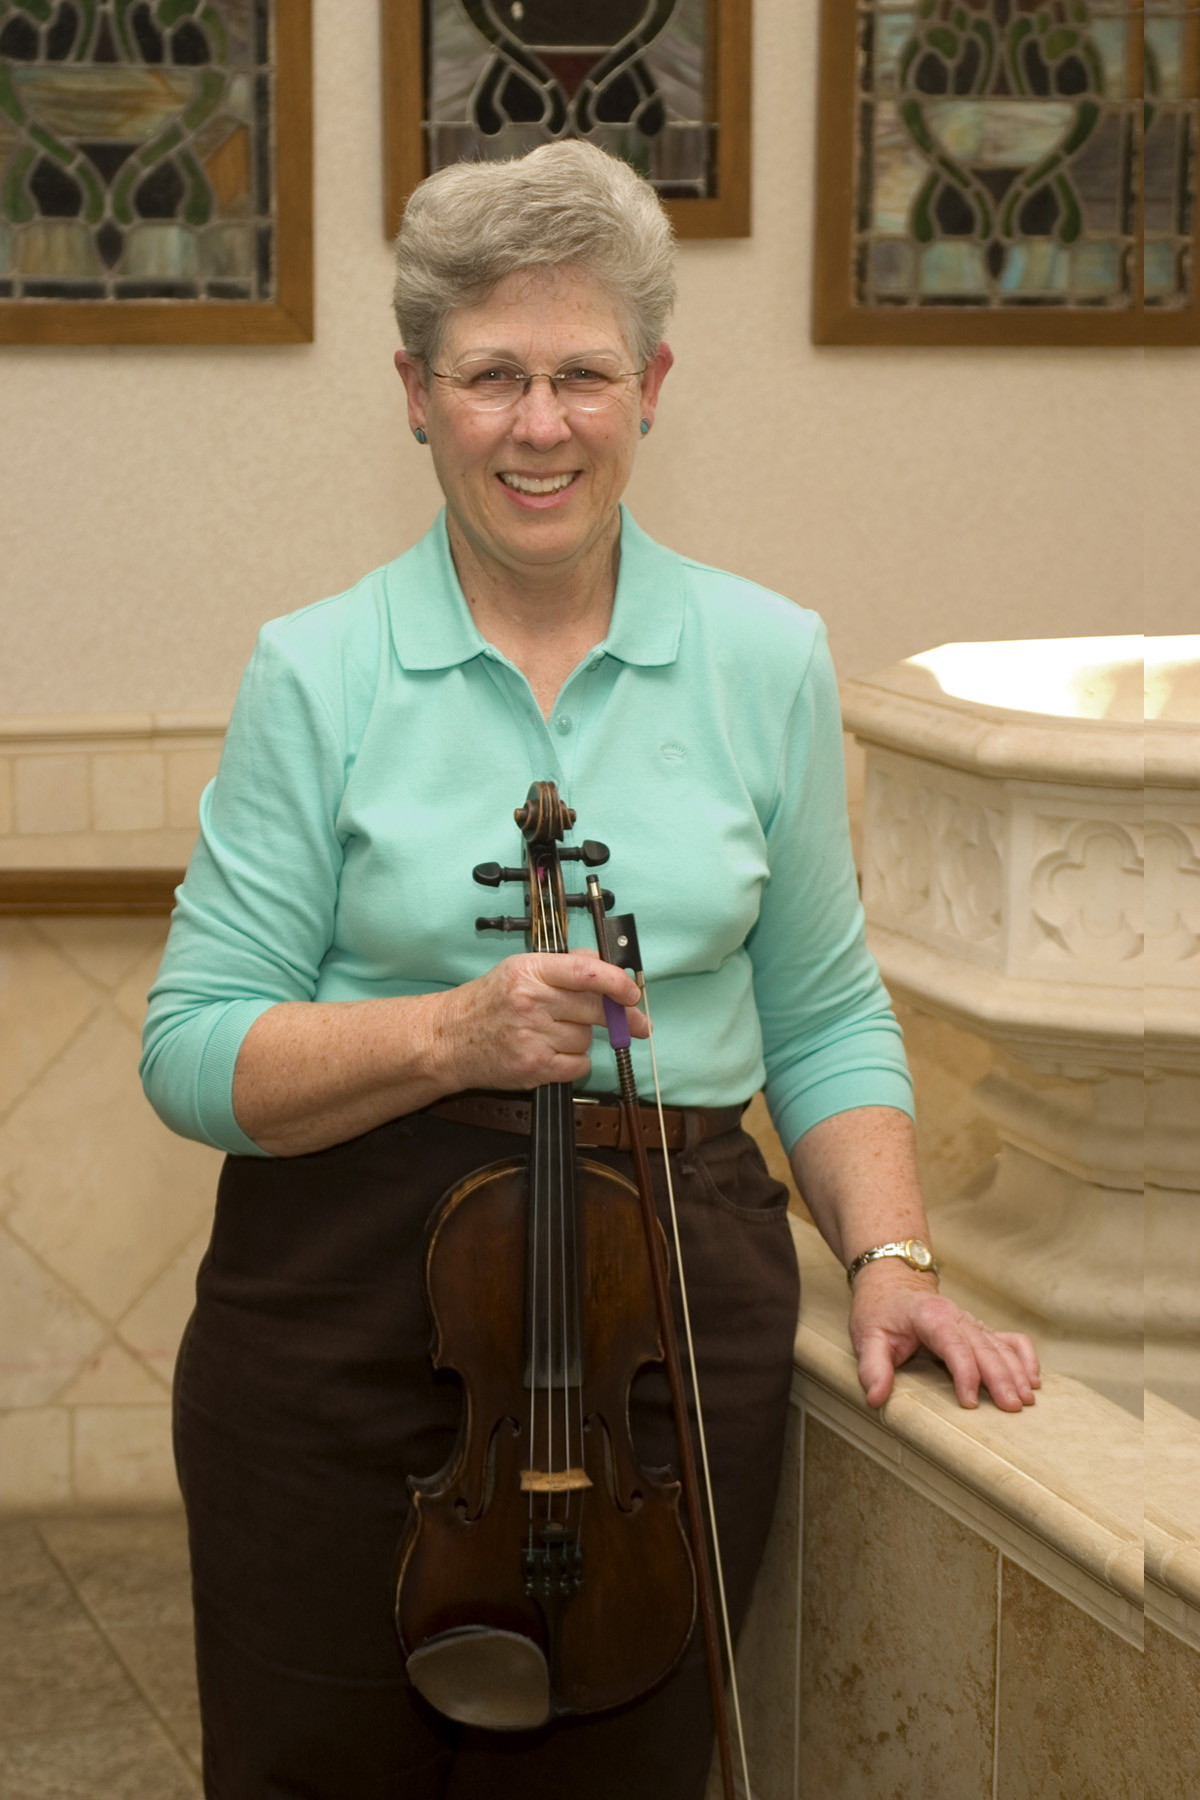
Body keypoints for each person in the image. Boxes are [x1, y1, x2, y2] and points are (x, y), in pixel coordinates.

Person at [141, 142, 1039, 1800]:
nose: (538, 425)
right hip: (337, 1318)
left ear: (654, 387)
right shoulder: (317, 671)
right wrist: (451, 1034)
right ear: (416, 395)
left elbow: (823, 1013)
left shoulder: (766, 657)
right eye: (491, 375)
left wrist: (893, 1255)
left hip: (659, 1316)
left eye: (582, 375)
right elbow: (193, 1050)